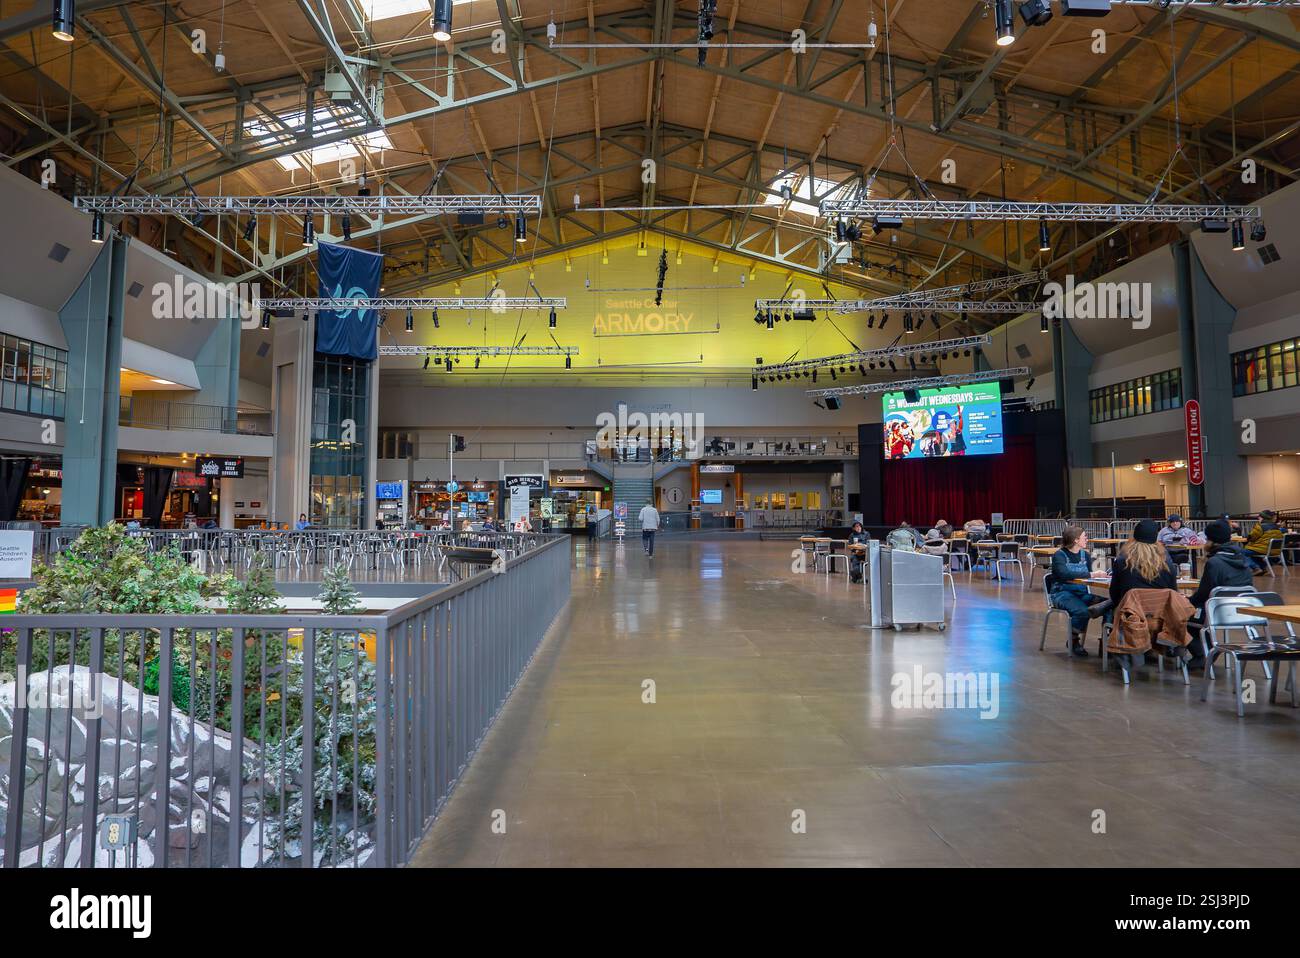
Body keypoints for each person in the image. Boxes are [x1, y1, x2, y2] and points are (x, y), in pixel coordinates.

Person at [1185, 519, 1256, 668]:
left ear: (1211, 541)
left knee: (1181, 613)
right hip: (1243, 611)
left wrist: (1186, 601)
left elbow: (1203, 594)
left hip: (1217, 611)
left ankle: (1202, 652)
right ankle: (1208, 649)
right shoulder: (1242, 558)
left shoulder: (1214, 563)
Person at [1049, 526, 1110, 657]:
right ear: (1076, 540)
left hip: (1080, 593)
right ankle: (1073, 639)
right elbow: (1064, 574)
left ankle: (1107, 641)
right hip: (1061, 593)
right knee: (1083, 611)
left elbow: (1089, 574)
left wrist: (1102, 575)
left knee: (1109, 605)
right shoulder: (1059, 555)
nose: (1087, 539)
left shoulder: (1085, 555)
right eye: (1084, 537)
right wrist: (1092, 575)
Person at [1108, 519, 1178, 608]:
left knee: (1111, 608)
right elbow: (1173, 590)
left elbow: (1114, 593)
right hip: (1160, 613)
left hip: (1131, 613)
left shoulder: (1123, 560)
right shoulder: (1165, 561)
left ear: (1134, 536)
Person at [1244, 509, 1285, 573]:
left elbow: (1251, 538)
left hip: (1263, 549)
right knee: (1253, 553)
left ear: (1263, 518)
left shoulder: (1260, 526)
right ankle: (1262, 568)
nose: (1258, 518)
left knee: (1240, 552)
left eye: (1259, 517)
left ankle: (1256, 568)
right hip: (1274, 550)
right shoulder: (1276, 527)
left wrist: (1248, 538)